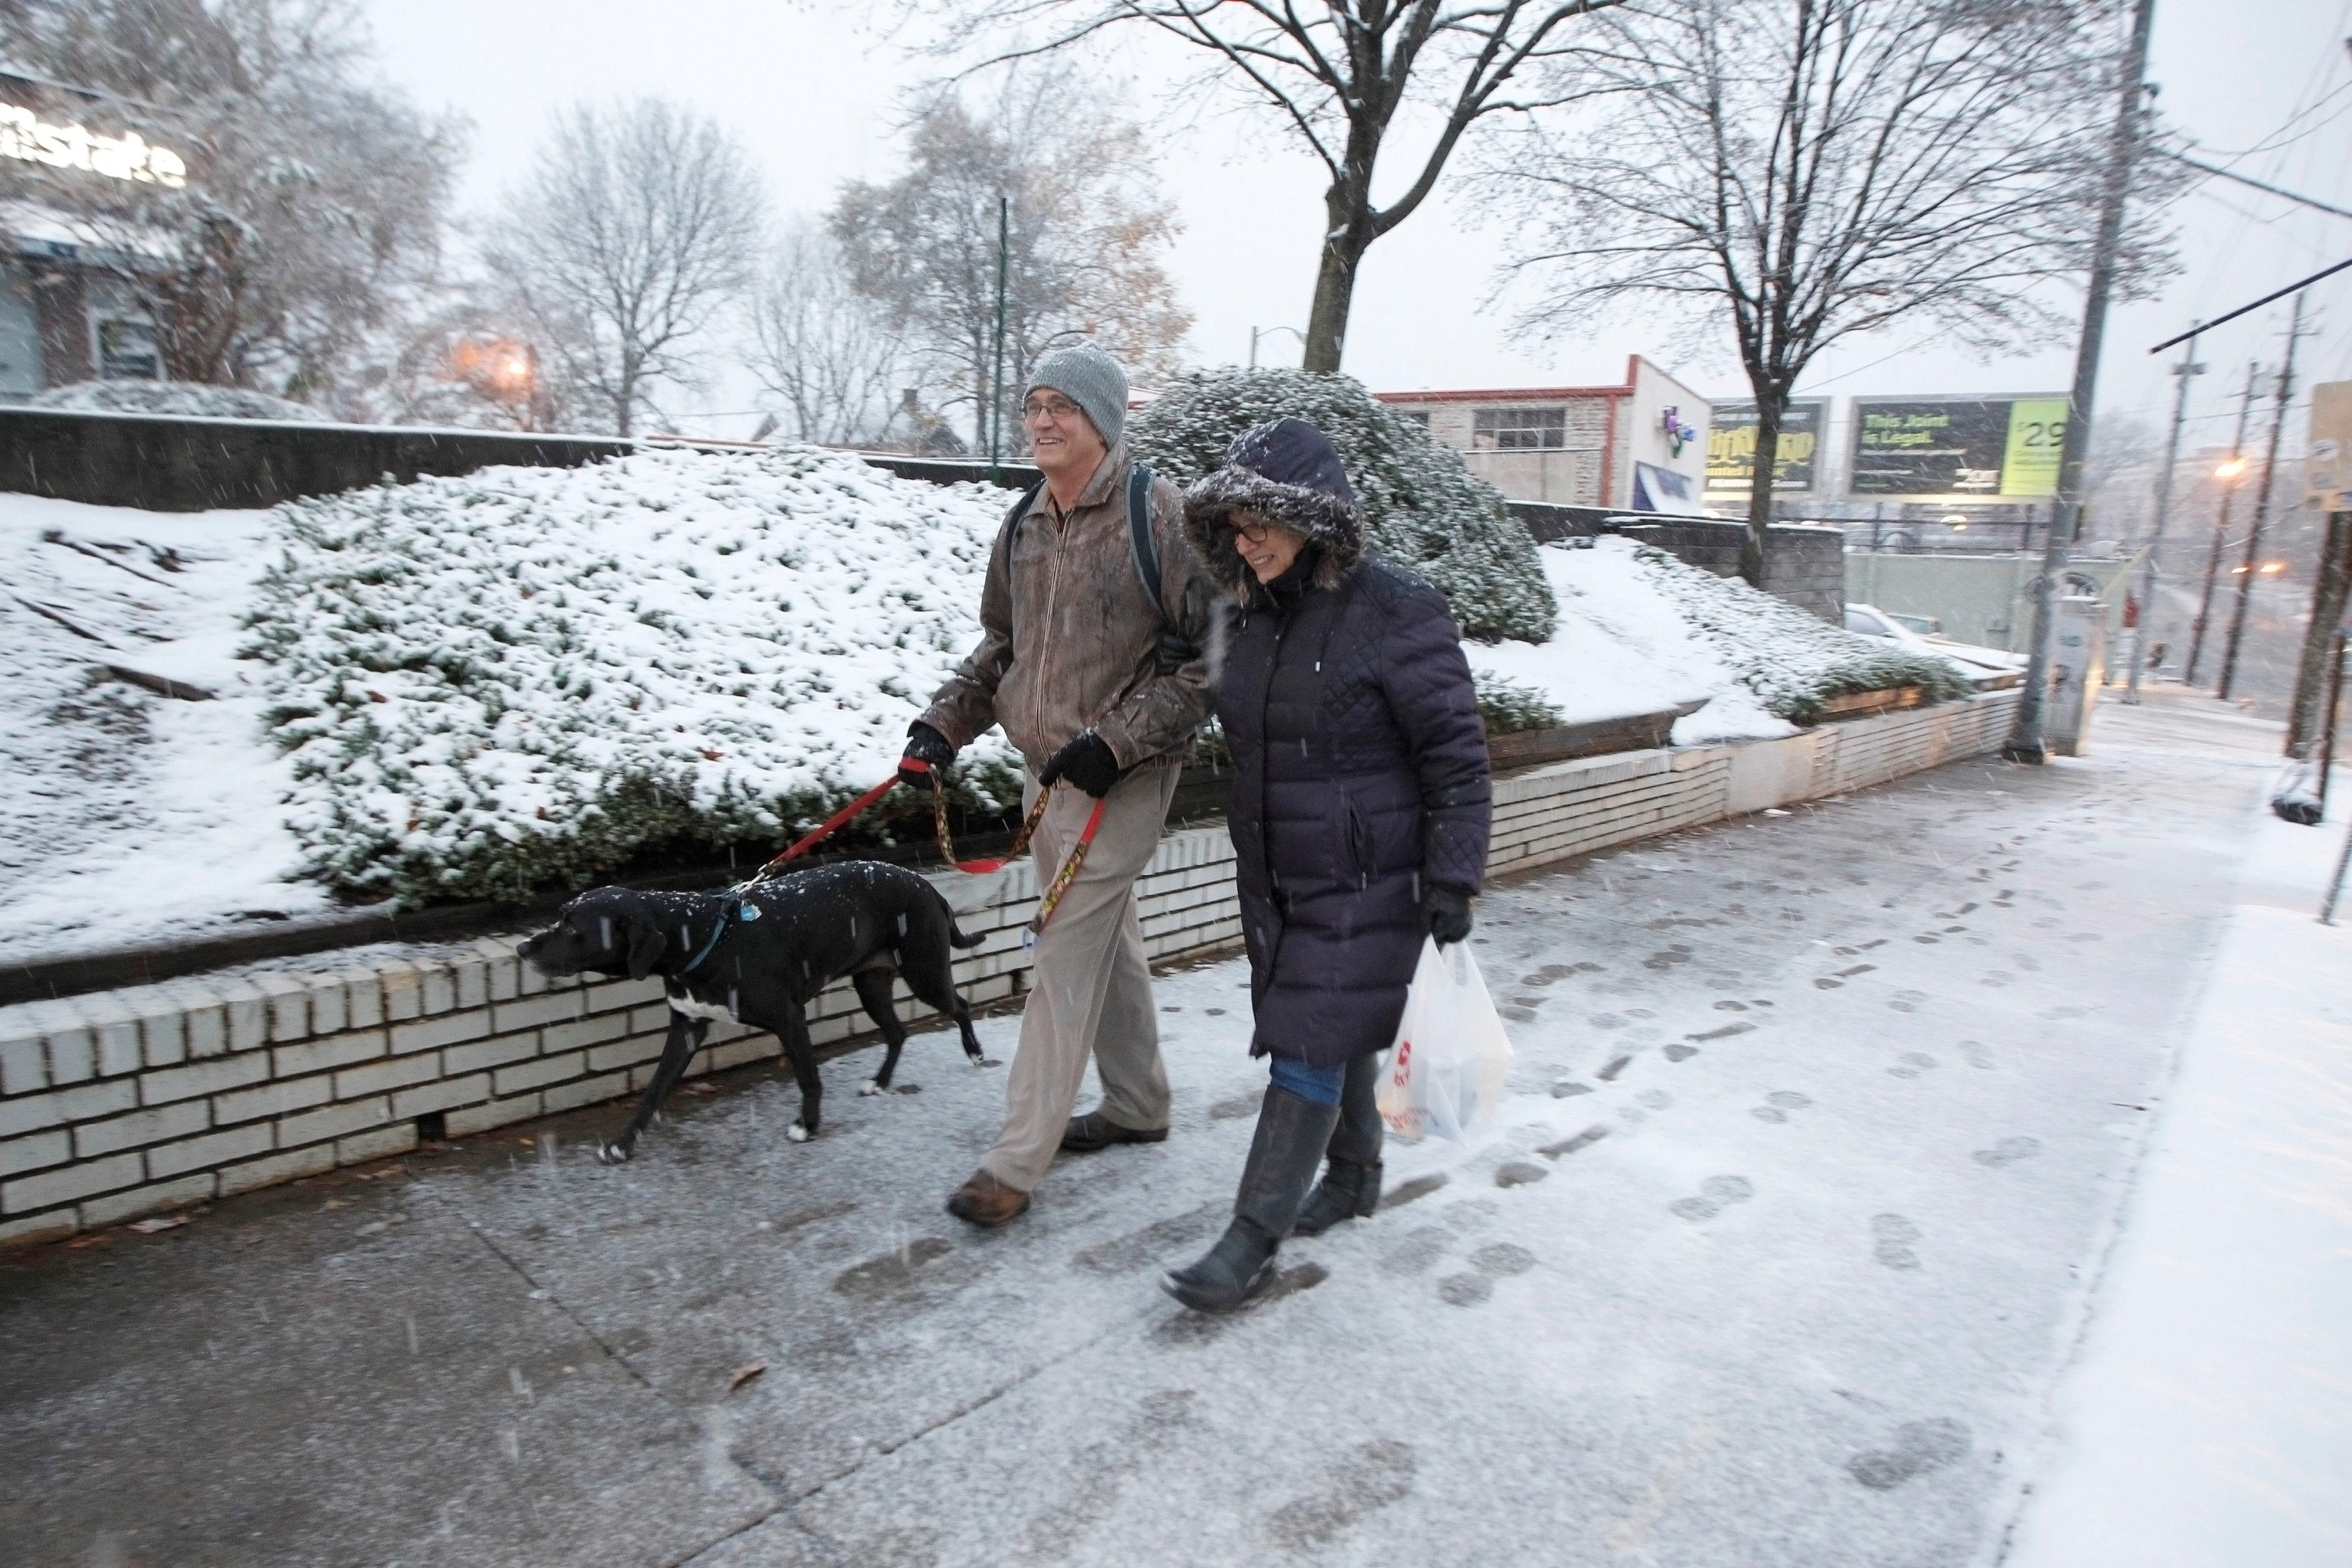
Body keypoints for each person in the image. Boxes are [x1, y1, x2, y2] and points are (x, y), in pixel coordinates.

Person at [1162, 417, 1491, 1312]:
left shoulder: (1396, 609)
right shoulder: (1246, 618)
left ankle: (1250, 1239)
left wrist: (1454, 875)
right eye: (1233, 522)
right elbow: (1218, 710)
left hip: (1367, 874)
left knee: (1307, 1041)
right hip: (1276, 871)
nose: (1246, 537)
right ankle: (1352, 1174)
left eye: (1261, 517)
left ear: (1316, 518)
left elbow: (1455, 753)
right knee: (1334, 1025)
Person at [904, 344, 1219, 1229]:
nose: (1043, 419)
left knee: (1064, 949)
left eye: (1063, 406)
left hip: (1125, 776)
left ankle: (1013, 1162)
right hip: (1047, 774)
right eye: (1035, 403)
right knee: (1102, 936)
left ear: (1103, 420)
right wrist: (943, 724)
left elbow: (1213, 658)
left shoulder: (1158, 513)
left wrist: (1116, 744)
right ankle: (1138, 1103)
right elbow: (1003, 647)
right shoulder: (1026, 526)